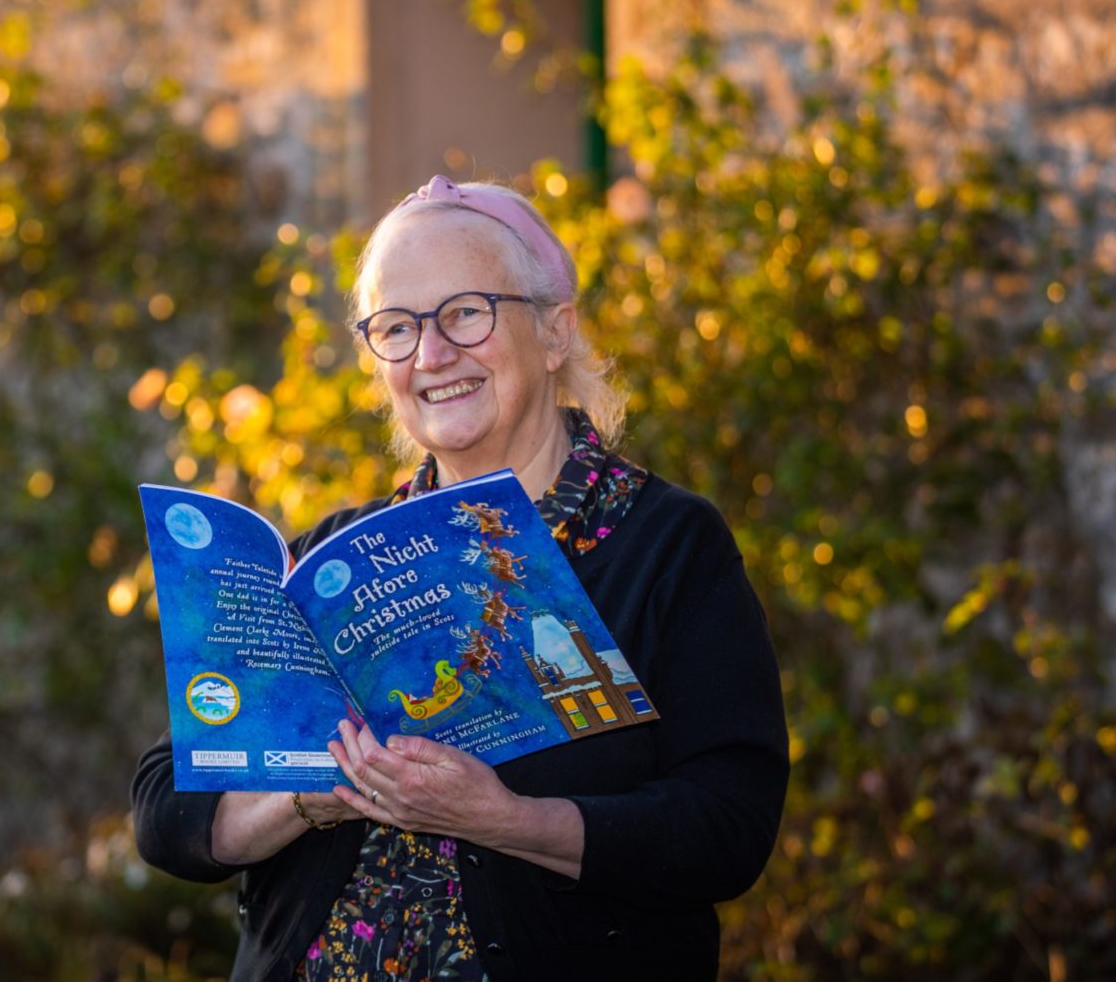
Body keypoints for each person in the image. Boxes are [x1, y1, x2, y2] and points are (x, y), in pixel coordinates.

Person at [133, 175, 788, 981]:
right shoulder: (330, 559)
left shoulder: (666, 544)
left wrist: (507, 820)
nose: (431, 354)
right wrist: (313, 794)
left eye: (465, 313)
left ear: (554, 333)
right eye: (396, 328)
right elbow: (165, 807)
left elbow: (729, 826)